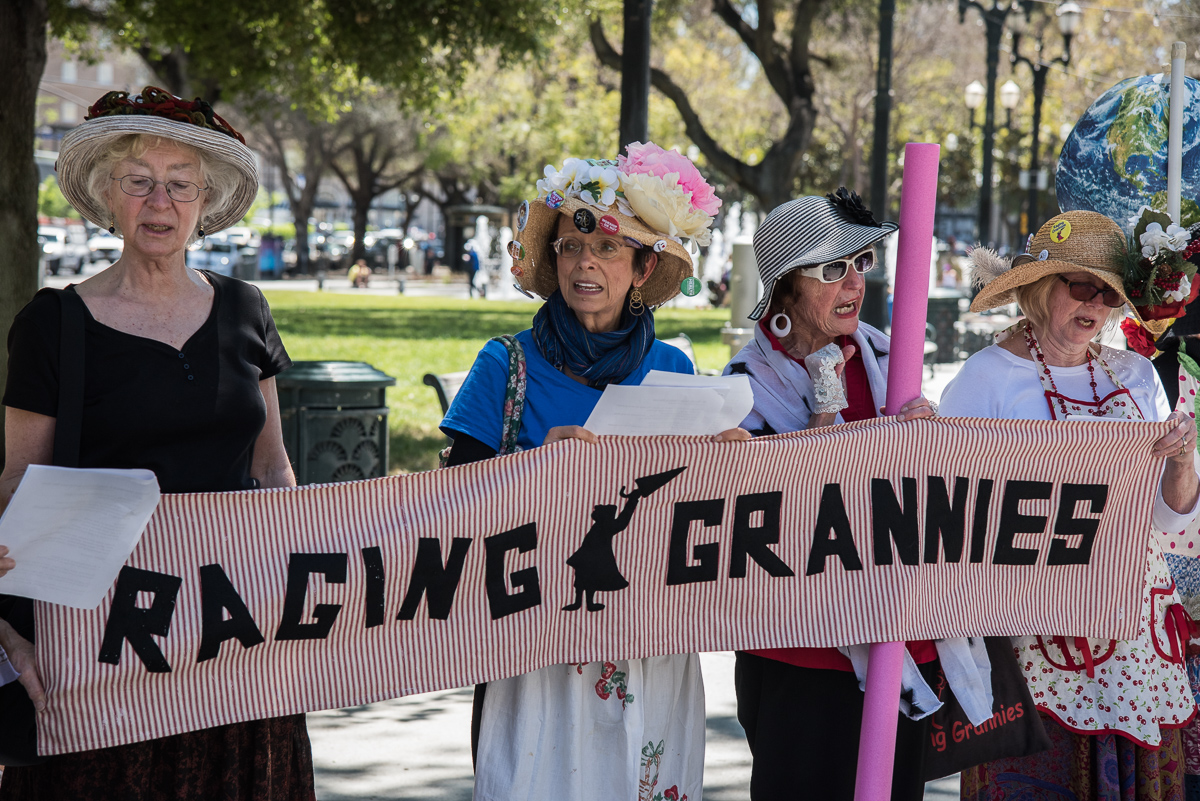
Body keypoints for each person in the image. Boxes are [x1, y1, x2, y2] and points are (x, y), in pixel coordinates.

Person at [0, 86, 312, 798]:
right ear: (107, 197)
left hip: (235, 634)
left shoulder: (246, 308)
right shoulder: (52, 324)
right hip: (101, 649)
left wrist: (297, 585)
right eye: (137, 181)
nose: (159, 201)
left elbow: (273, 469)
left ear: (205, 201)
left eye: (180, 184)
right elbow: (17, 483)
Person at [440, 143, 741, 800]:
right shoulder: (505, 364)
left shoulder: (675, 368)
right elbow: (453, 500)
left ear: (643, 267)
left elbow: (691, 510)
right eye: (572, 247)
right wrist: (537, 466)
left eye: (607, 248)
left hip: (650, 638)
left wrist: (727, 466)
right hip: (535, 642)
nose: (585, 263)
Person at [940, 210, 1200, 801]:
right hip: (1033, 631)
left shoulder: (1137, 374)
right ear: (1039, 286)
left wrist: (1182, 461)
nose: (1096, 303)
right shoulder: (987, 378)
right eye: (1081, 285)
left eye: (1109, 293)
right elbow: (954, 513)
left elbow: (1169, 518)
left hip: (1133, 632)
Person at [722, 188, 939, 800]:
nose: (854, 282)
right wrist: (823, 410)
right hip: (798, 652)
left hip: (896, 637)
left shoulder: (888, 358)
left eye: (861, 262)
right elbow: (774, 512)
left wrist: (930, 441)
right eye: (831, 268)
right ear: (786, 288)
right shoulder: (742, 384)